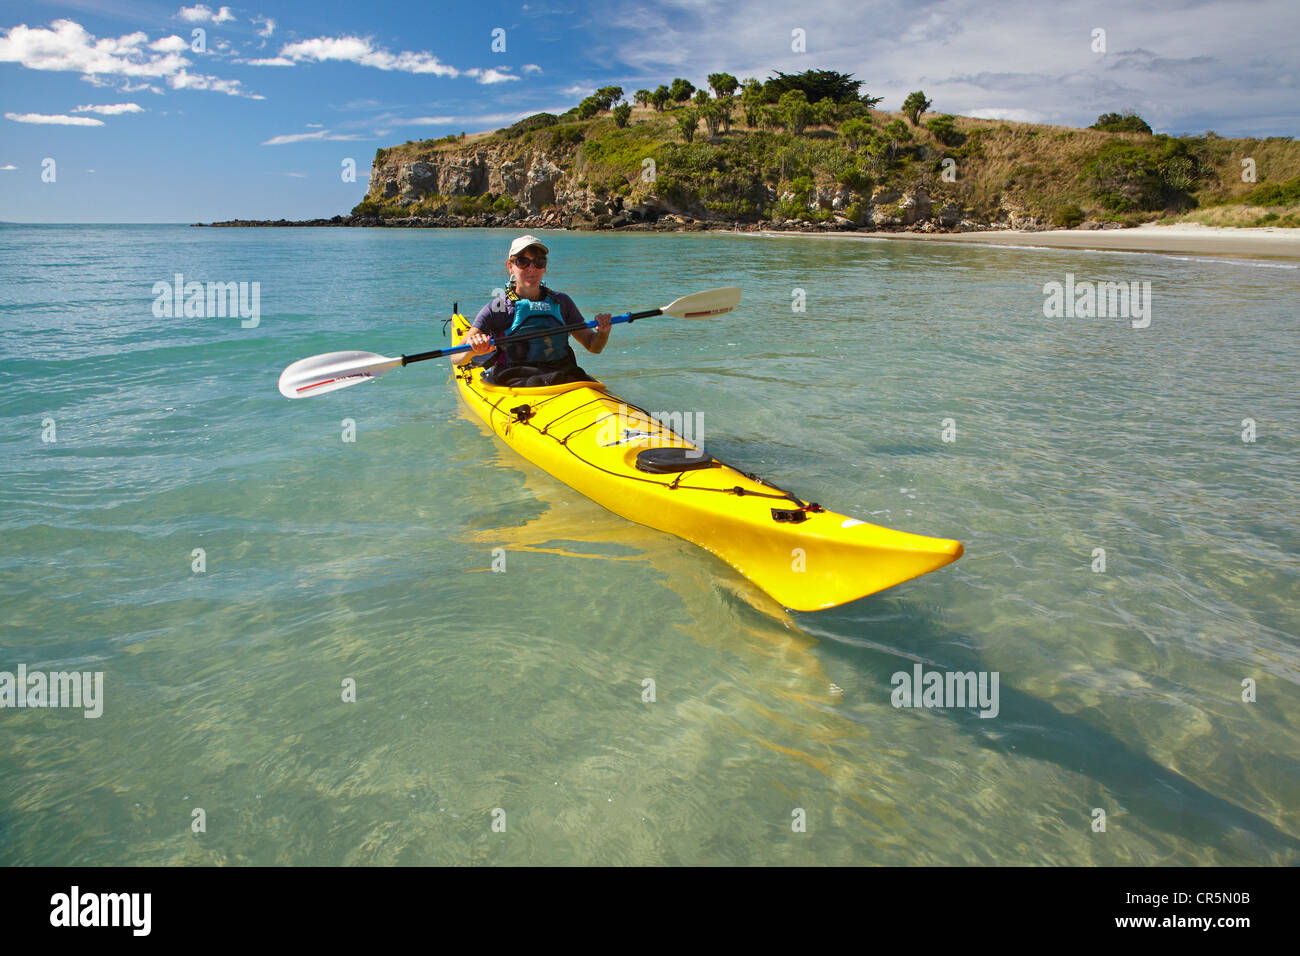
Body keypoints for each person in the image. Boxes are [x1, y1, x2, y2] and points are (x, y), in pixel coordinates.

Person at [457, 235, 612, 387]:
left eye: (539, 262)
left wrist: (603, 332)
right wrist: (472, 350)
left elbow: (594, 346)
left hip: (563, 375)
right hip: (517, 380)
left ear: (544, 267)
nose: (532, 269)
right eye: (523, 262)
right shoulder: (498, 308)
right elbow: (456, 358)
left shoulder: (562, 302)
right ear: (510, 267)